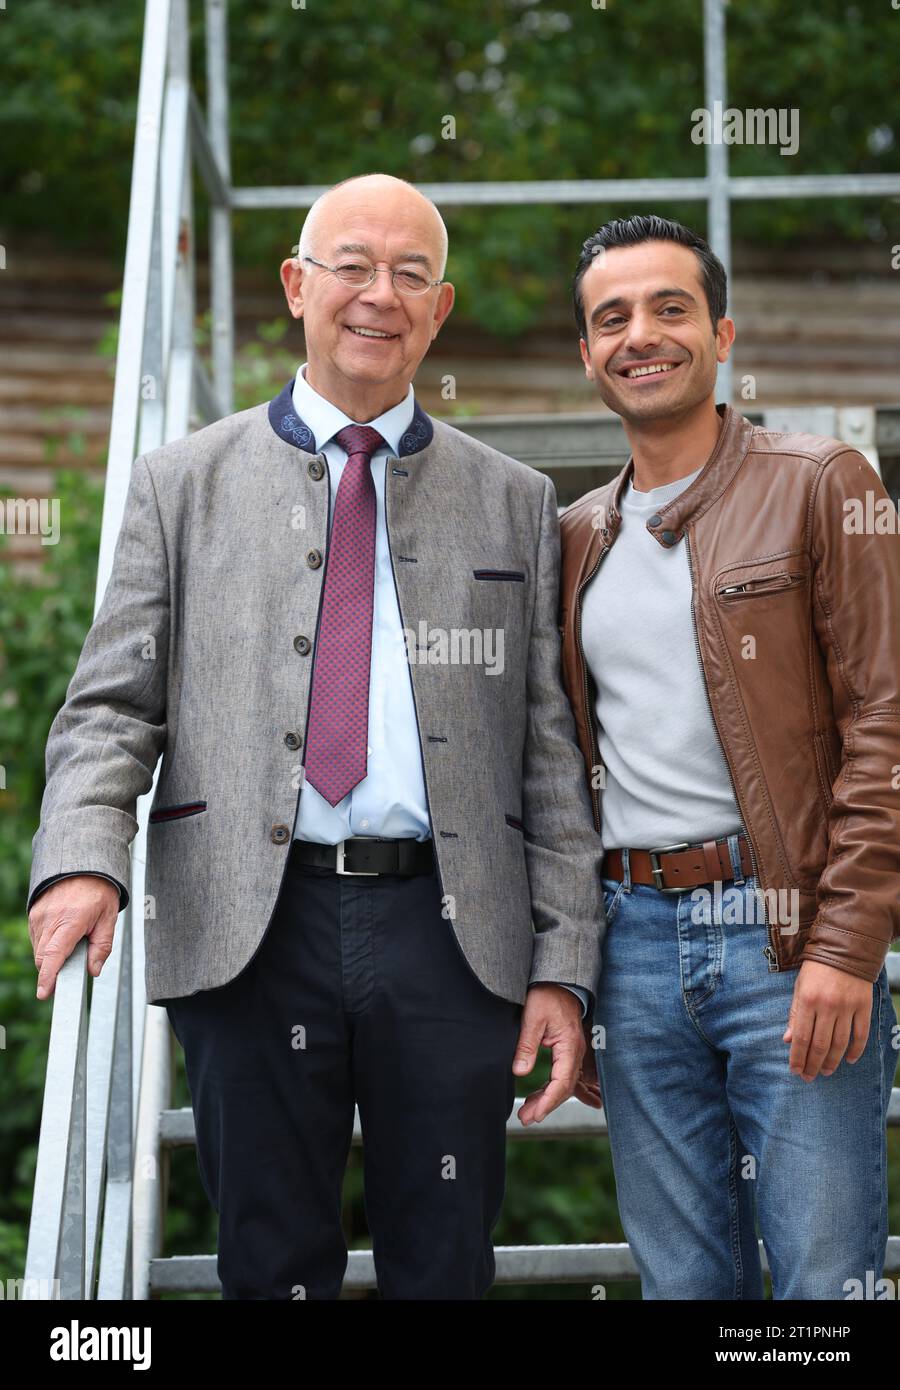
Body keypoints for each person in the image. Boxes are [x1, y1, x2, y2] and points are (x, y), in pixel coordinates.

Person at [27, 173, 604, 1300]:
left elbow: (550, 756)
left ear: (442, 309)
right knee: (272, 1258)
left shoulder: (515, 500)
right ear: (296, 284)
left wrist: (567, 964)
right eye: (351, 265)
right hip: (251, 922)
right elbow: (110, 706)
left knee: (444, 1261)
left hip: (453, 931)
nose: (378, 295)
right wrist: (84, 859)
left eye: (411, 274)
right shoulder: (179, 483)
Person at [560, 213, 900, 1300]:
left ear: (722, 333)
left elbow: (885, 722)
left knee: (821, 1281)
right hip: (633, 948)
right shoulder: (575, 533)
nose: (640, 334)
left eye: (670, 308)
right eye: (611, 317)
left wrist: (848, 944)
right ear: (586, 354)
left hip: (784, 935)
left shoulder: (824, 480)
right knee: (683, 1288)